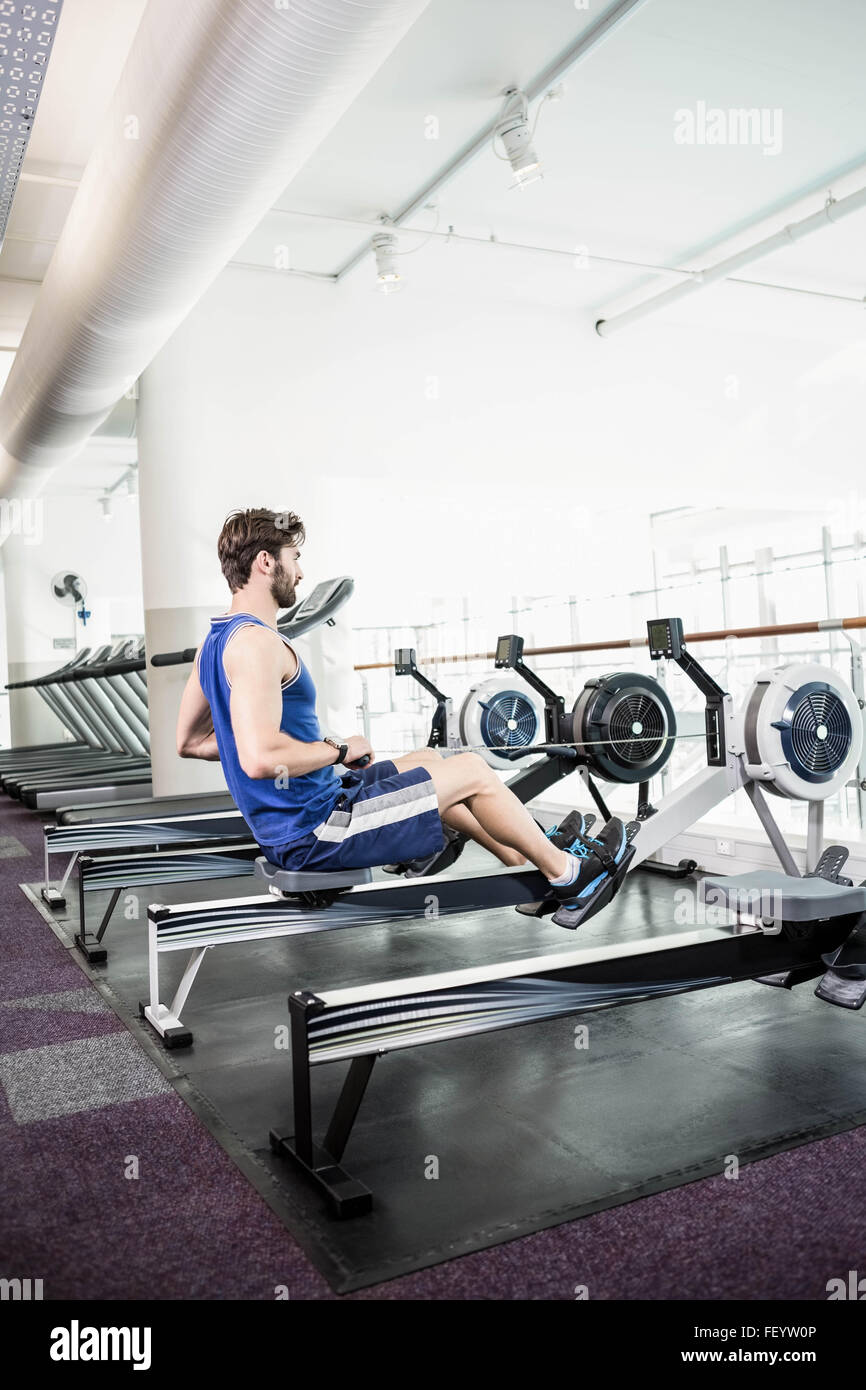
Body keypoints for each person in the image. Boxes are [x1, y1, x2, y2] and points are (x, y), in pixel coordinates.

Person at [175, 507, 631, 909]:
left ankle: (528, 858)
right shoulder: (257, 643)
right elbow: (260, 759)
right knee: (473, 769)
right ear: (265, 562)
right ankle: (571, 877)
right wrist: (335, 748)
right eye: (294, 559)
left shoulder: (213, 643)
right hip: (316, 832)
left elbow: (191, 742)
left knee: (433, 761)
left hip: (314, 808)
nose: (299, 573)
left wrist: (292, 749)